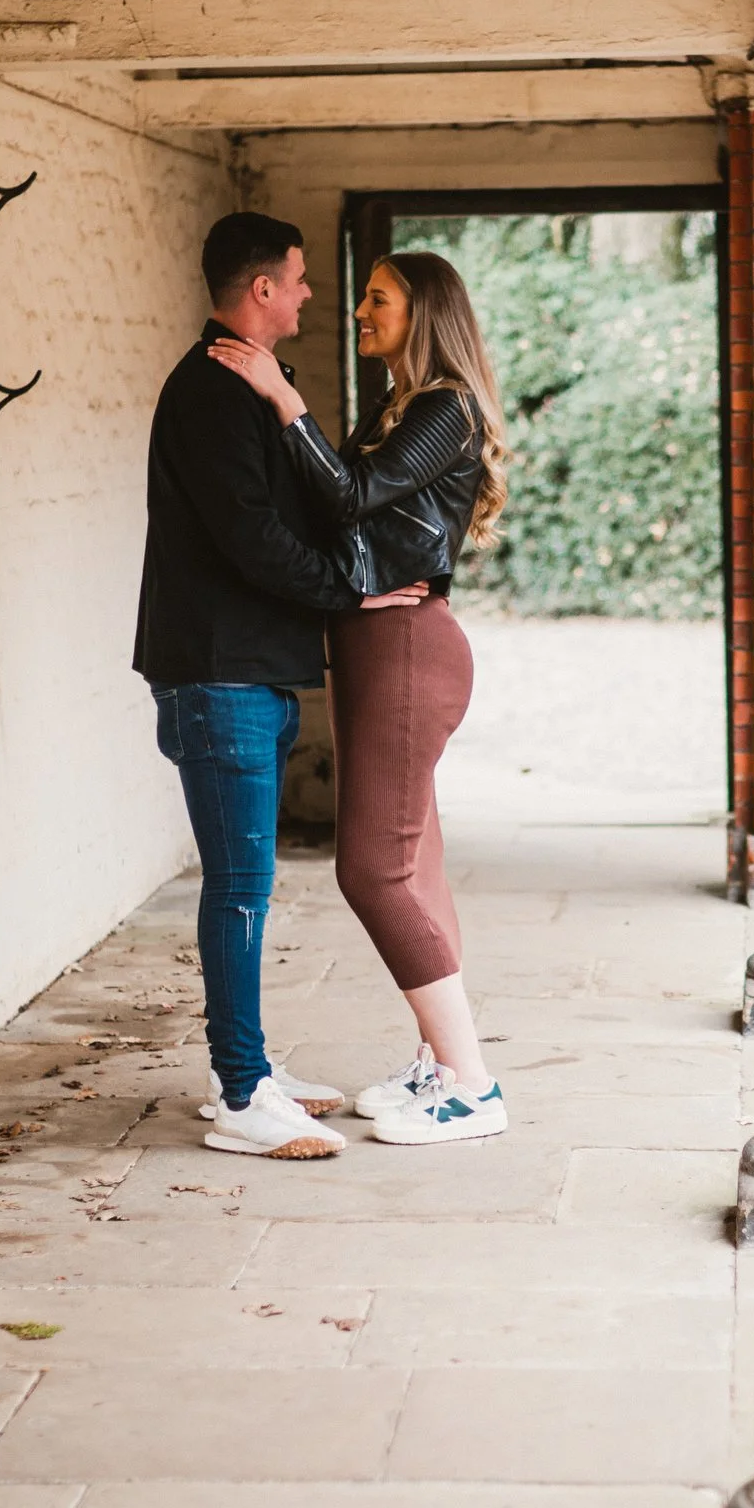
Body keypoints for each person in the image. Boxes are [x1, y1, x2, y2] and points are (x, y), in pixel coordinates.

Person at [135, 213, 428, 1161]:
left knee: (248, 885)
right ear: (262, 288)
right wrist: (354, 589)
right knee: (238, 888)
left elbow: (317, 499)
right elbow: (254, 539)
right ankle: (239, 1095)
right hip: (216, 674)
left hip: (250, 670)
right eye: (299, 279)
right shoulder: (210, 392)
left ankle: (253, 1067)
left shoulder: (253, 380)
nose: (308, 293)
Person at [210, 251, 510, 1145]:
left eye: (379, 299)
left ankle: (472, 1084)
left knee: (371, 868)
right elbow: (329, 513)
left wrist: (281, 396)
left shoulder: (445, 406)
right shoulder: (399, 407)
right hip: (377, 644)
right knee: (415, 862)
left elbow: (350, 496)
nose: (359, 310)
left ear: (425, 314)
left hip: (405, 646)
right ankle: (439, 1062)